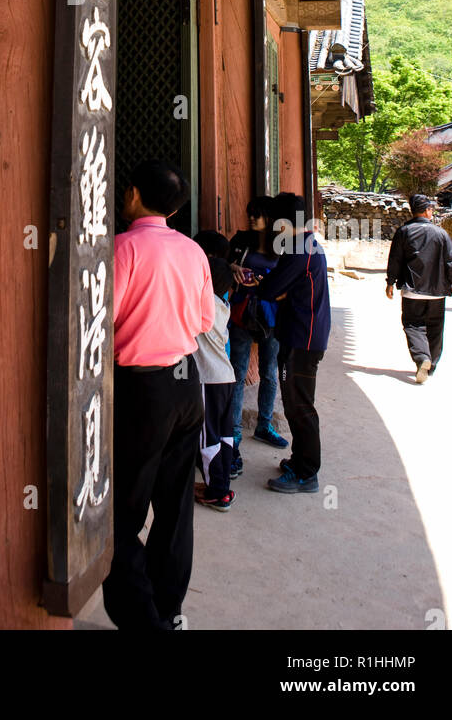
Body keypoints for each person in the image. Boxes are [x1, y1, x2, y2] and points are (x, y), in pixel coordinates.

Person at [103, 160, 215, 632]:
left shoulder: (123, 248)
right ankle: (166, 610)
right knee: (174, 507)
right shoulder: (193, 252)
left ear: (132, 195)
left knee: (120, 513)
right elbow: (206, 322)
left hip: (142, 388)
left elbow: (100, 319)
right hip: (188, 385)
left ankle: (142, 620)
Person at [238, 193, 330, 495]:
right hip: (304, 336)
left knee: (299, 405)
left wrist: (266, 286)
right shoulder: (307, 244)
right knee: (295, 402)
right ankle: (299, 460)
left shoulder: (298, 250)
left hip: (300, 341)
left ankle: (306, 474)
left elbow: (271, 289)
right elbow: (277, 289)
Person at [227, 196, 288, 478]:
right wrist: (233, 269)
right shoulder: (241, 240)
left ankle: (264, 425)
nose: (252, 219)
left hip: (273, 316)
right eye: (250, 214)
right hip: (242, 314)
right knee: (237, 372)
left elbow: (293, 279)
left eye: (258, 215)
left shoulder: (283, 245)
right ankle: (235, 432)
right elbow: (221, 263)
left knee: (269, 372)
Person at [385, 193, 452, 382]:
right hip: (437, 292)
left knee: (413, 325)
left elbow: (395, 259)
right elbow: (450, 262)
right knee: (435, 328)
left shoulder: (404, 232)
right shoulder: (441, 233)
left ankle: (422, 358)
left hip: (412, 291)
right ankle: (430, 366)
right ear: (427, 211)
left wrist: (390, 282)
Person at [190, 240, 236, 511]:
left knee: (207, 438)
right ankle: (221, 485)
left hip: (209, 379)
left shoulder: (202, 304)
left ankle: (217, 492)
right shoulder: (223, 305)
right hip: (226, 377)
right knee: (225, 436)